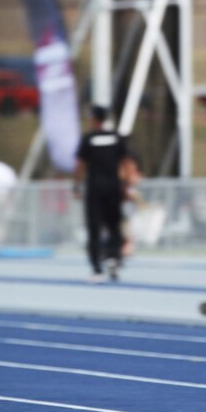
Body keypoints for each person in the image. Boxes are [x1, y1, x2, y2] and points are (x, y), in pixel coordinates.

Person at [73, 105, 137, 283]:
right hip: (114, 188)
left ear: (94, 119)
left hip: (94, 189)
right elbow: (127, 163)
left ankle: (96, 269)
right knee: (114, 226)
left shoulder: (88, 139)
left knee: (94, 229)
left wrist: (76, 185)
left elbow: (80, 165)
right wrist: (129, 185)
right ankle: (113, 258)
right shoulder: (116, 138)